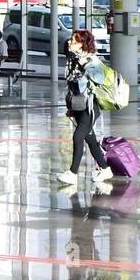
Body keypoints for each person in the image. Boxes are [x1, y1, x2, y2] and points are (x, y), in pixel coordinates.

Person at [57, 29, 111, 187]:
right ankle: (105, 168)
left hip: (90, 107)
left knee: (78, 136)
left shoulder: (91, 60)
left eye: (74, 41)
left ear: (82, 44)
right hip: (78, 105)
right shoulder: (73, 60)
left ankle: (73, 173)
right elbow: (72, 85)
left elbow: (99, 79)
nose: (69, 43)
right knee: (90, 139)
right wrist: (71, 107)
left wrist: (85, 66)